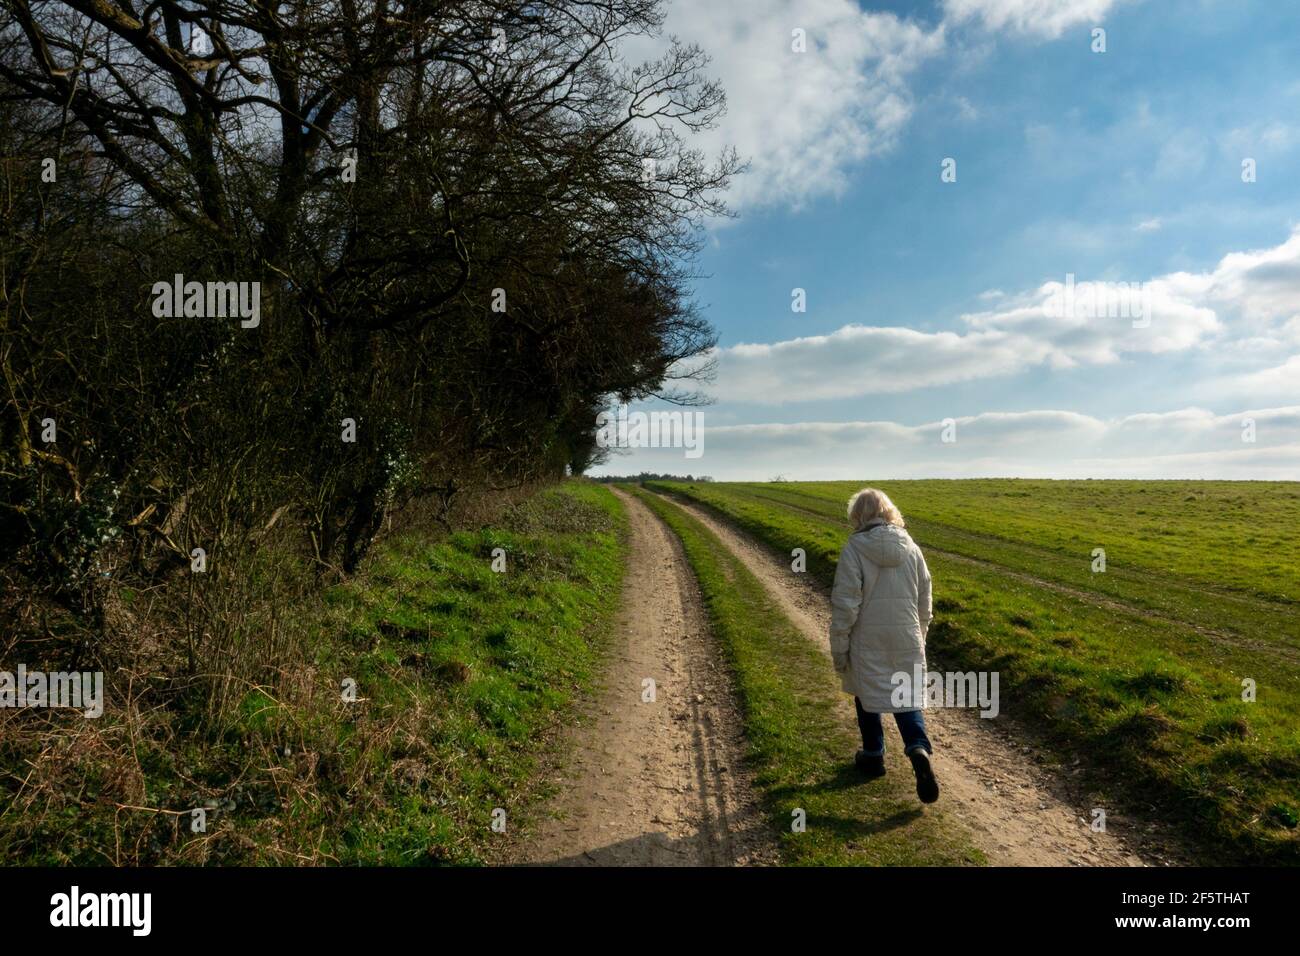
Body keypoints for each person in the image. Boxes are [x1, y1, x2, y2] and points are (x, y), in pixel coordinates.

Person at [829, 488, 939, 804]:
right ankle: (918, 748)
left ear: (857, 516)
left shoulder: (854, 549)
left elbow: (846, 604)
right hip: (906, 634)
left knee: (867, 694)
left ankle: (874, 754)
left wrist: (839, 646)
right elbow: (924, 599)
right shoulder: (912, 548)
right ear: (889, 511)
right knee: (906, 697)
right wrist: (920, 633)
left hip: (868, 638)